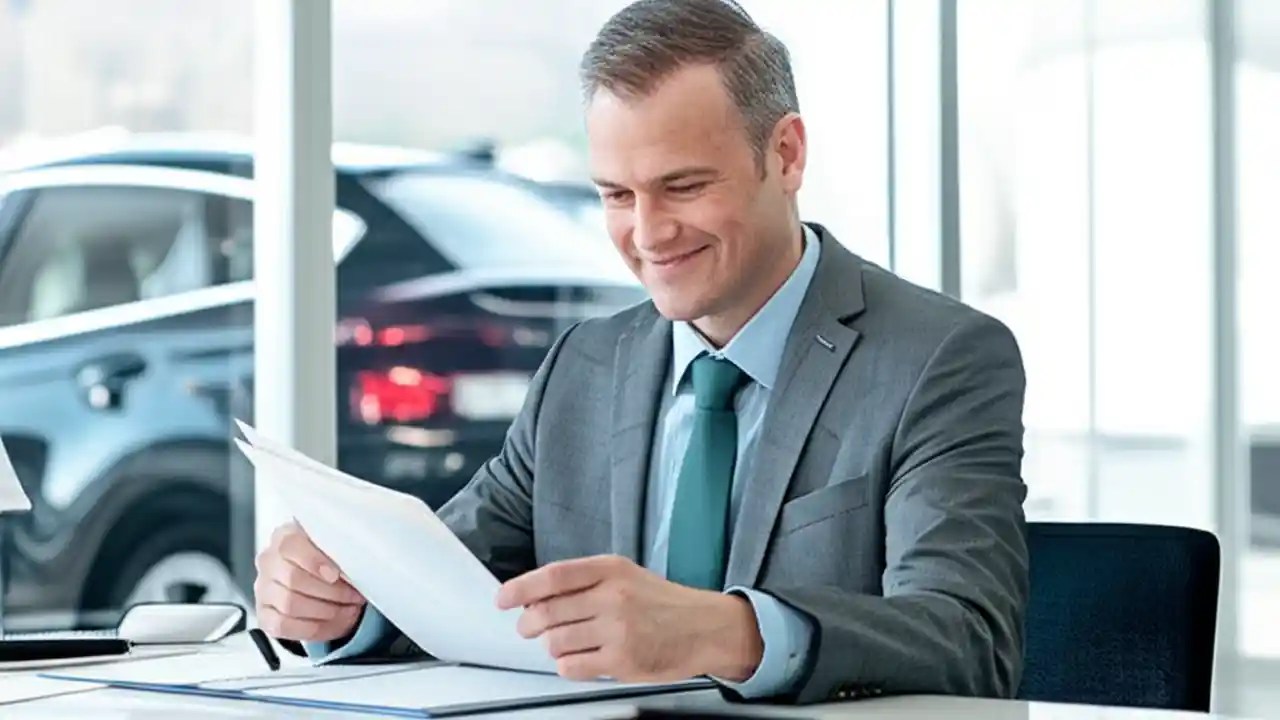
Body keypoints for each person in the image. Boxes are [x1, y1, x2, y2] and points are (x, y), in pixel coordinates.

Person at [253, 0, 1029, 705]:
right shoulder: (583, 368)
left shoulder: (941, 359)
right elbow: (447, 586)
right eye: (617, 196)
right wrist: (340, 599)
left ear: (786, 155)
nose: (648, 234)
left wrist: (722, 632)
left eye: (684, 186)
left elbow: (967, 640)